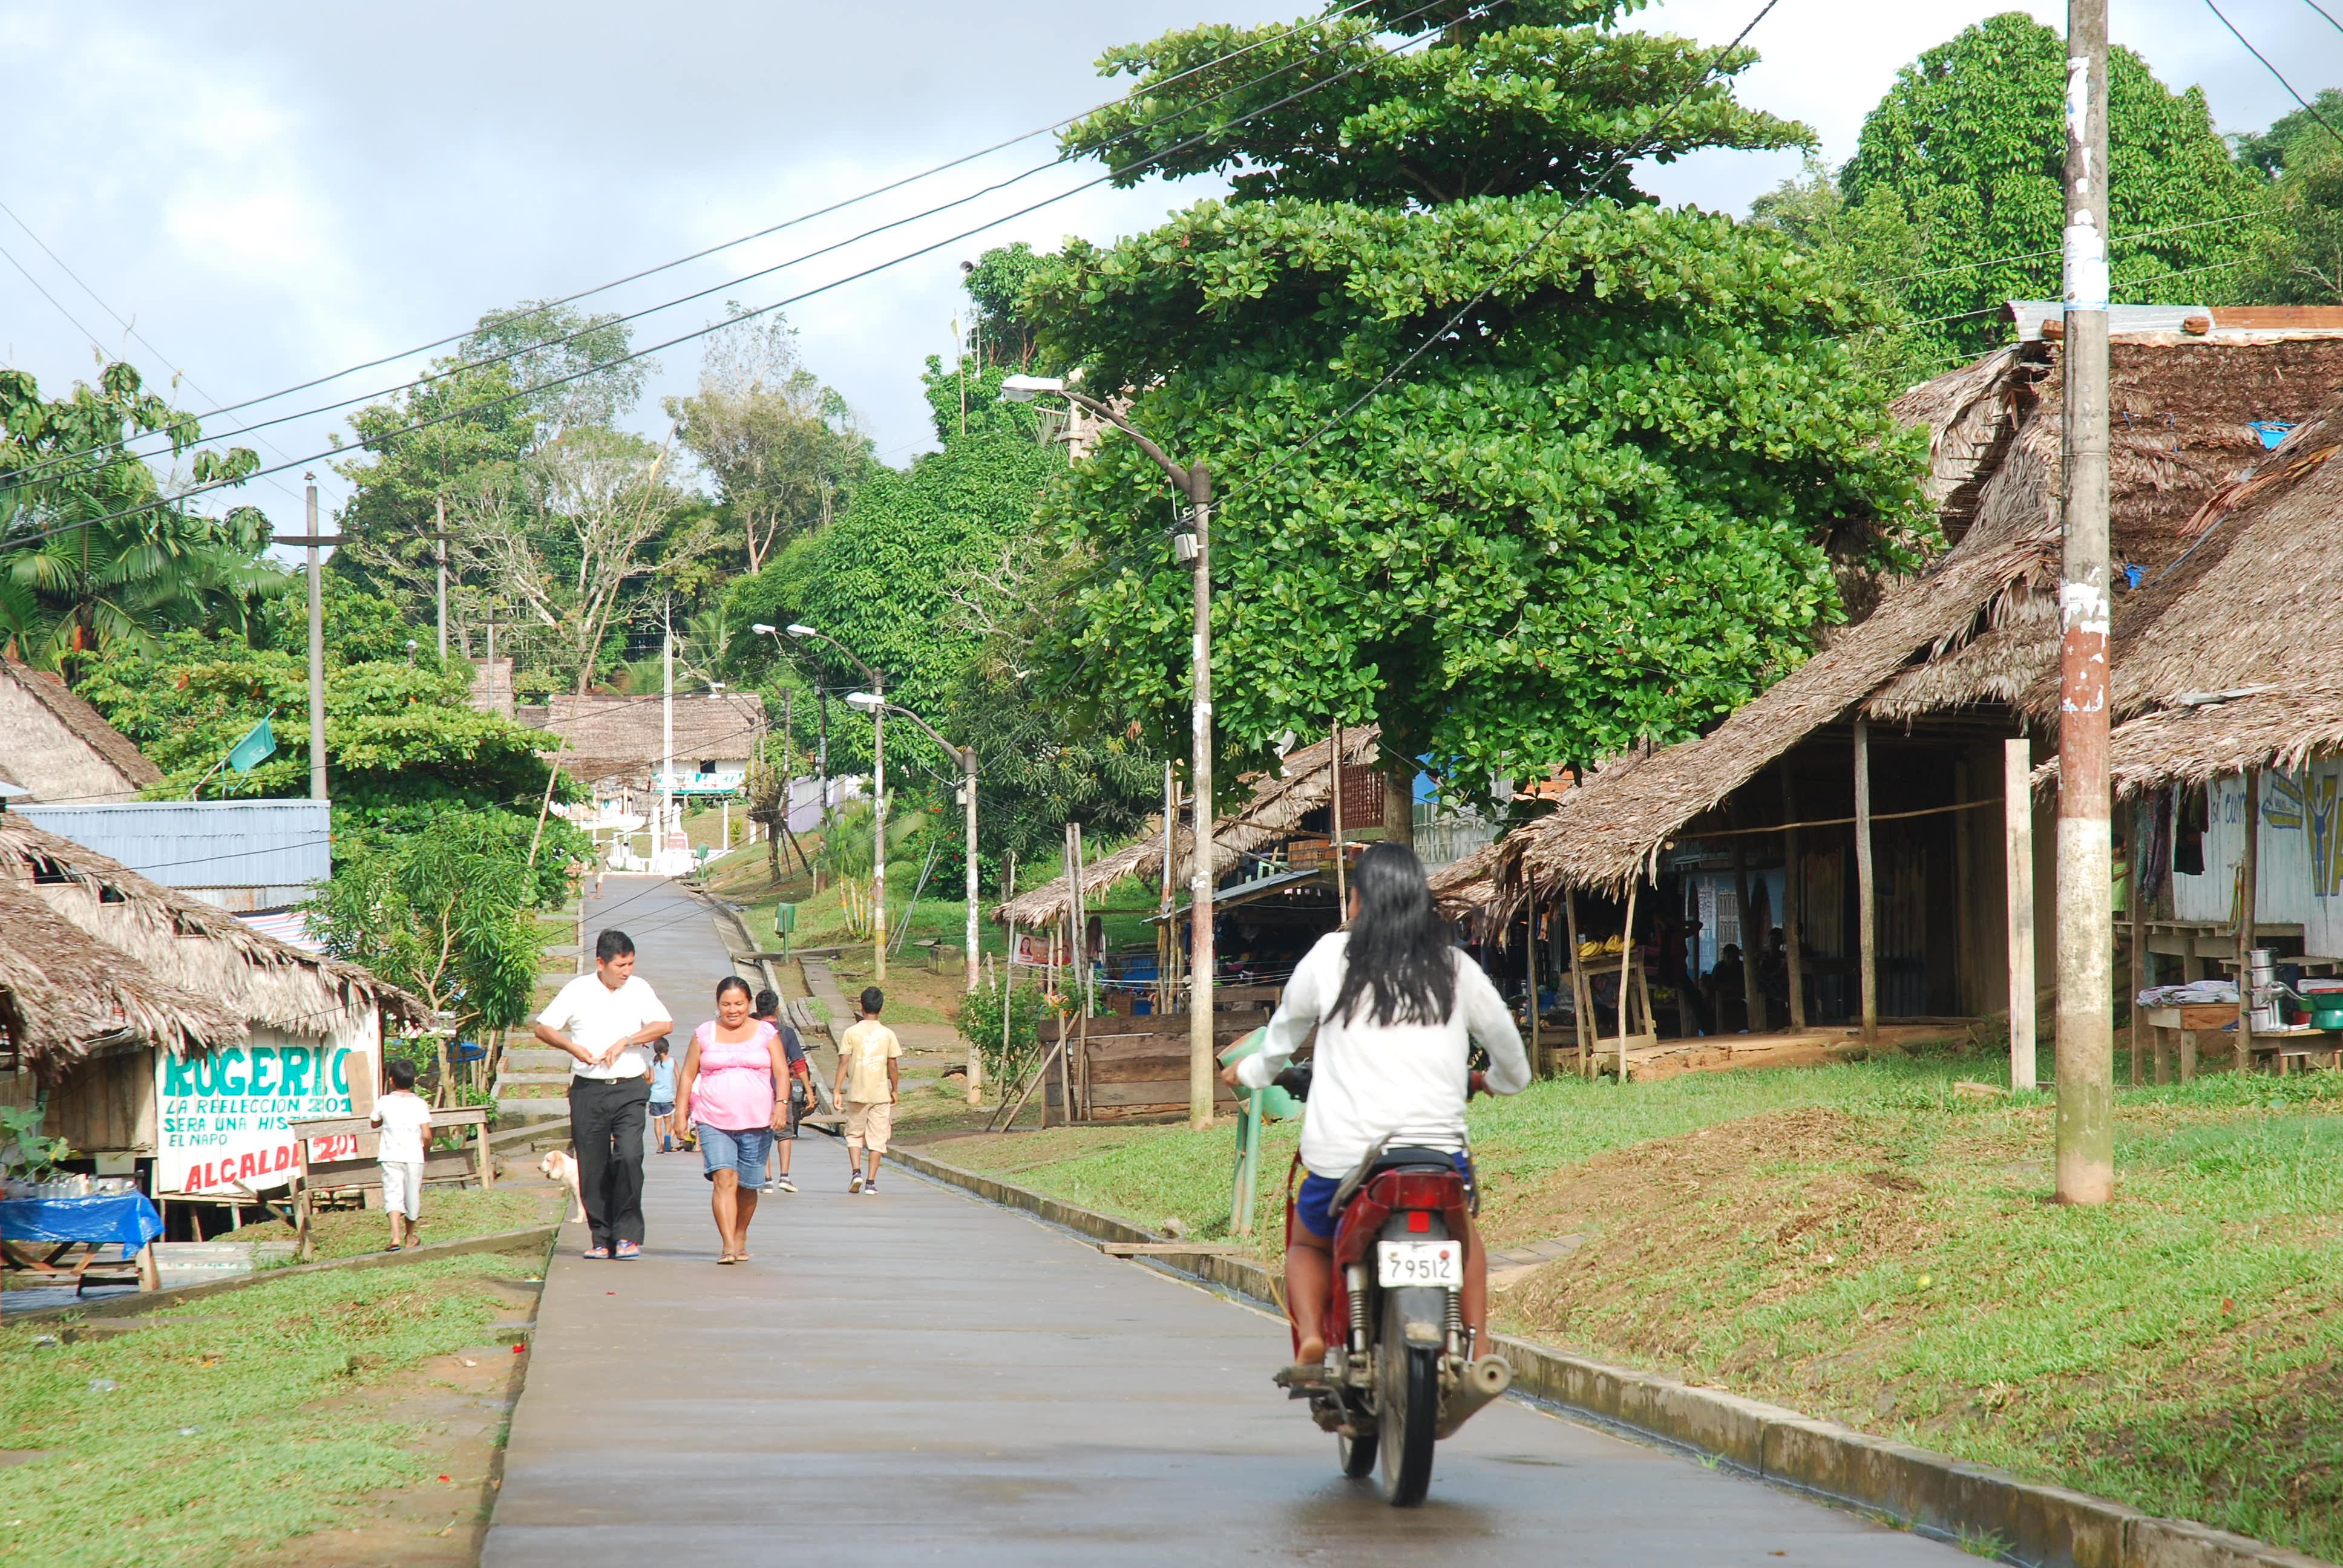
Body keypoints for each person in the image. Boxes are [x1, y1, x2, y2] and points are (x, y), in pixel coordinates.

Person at [1221, 841, 1529, 1371]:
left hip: (1343, 1160)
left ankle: (1315, 1338)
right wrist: (1488, 1081)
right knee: (1465, 1241)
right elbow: (1513, 1064)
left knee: (1307, 1246)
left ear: (1359, 900)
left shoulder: (1325, 958)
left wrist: (1246, 1072)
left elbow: (1279, 1042)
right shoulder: (1454, 967)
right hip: (1434, 1158)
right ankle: (1479, 1350)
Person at [533, 929, 674, 1260]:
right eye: (621, 965)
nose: (627, 971)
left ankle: (627, 1235)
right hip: (588, 1090)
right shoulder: (577, 990)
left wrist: (627, 1040)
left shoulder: (638, 988)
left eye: (631, 964)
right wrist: (572, 1047)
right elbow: (543, 1027)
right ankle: (601, 1237)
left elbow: (664, 1024)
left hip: (629, 1088)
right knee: (593, 1165)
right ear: (601, 963)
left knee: (629, 1156)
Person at [672, 977, 791, 1264]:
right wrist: (680, 1113)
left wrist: (781, 1105)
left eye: (739, 1003)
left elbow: (782, 1072)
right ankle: (727, 1245)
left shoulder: (766, 1033)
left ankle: (740, 1234)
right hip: (713, 1119)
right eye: (726, 1004)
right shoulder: (704, 1033)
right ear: (718, 1005)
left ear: (749, 1003)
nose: (733, 1010)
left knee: (749, 1186)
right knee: (724, 1178)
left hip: (757, 1119)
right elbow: (688, 1074)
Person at [832, 986, 901, 1195]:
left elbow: (844, 1061)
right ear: (881, 1007)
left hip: (857, 1093)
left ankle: (856, 1173)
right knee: (878, 1138)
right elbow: (893, 1065)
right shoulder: (888, 1034)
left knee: (854, 1134)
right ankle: (871, 1182)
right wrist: (895, 1089)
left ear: (861, 1007)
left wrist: (837, 1090)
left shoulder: (851, 1033)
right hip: (880, 1094)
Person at [370, 1057, 433, 1252]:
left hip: (390, 1155)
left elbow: (374, 1122)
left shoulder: (385, 1101)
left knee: (393, 1194)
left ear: (391, 1081)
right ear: (414, 1080)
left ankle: (395, 1236)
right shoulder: (420, 1104)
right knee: (412, 1195)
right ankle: (410, 1236)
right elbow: (427, 1134)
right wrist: (426, 1149)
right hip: (414, 1156)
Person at [754, 989, 812, 1194]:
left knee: (763, 1134)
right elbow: (799, 1062)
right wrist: (809, 1091)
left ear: (757, 1009)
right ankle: (785, 1177)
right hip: (781, 1092)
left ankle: (766, 1179)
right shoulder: (786, 1033)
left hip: (758, 1091)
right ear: (777, 1009)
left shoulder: (753, 1031)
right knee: (784, 1134)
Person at [649, 1041, 678, 1154]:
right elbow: (678, 1078)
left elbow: (651, 1081)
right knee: (668, 1123)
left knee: (657, 1123)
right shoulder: (672, 1062)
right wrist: (678, 1096)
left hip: (655, 1097)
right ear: (667, 1049)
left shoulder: (652, 1063)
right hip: (667, 1097)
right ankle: (668, 1143)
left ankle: (660, 1146)